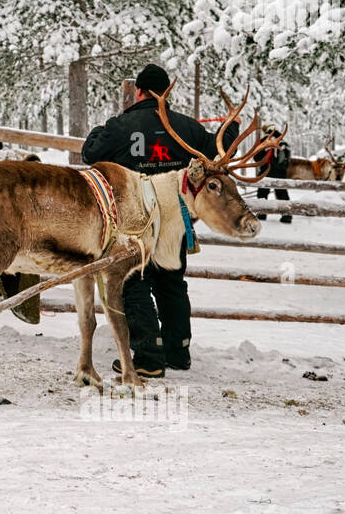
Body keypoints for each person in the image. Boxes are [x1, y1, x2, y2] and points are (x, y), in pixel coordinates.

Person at [80, 63, 237, 377]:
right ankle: (178, 351)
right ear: (167, 92)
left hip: (135, 219)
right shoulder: (187, 128)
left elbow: (90, 153)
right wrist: (233, 125)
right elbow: (221, 146)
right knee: (171, 282)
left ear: (138, 90)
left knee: (135, 281)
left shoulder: (122, 125)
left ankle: (149, 356)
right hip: (175, 217)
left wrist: (99, 130)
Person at [253, 125, 292, 224]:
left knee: (262, 193)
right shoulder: (283, 142)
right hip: (281, 172)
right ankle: (287, 215)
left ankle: (262, 213)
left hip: (266, 170)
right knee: (282, 193)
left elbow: (256, 157)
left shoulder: (265, 140)